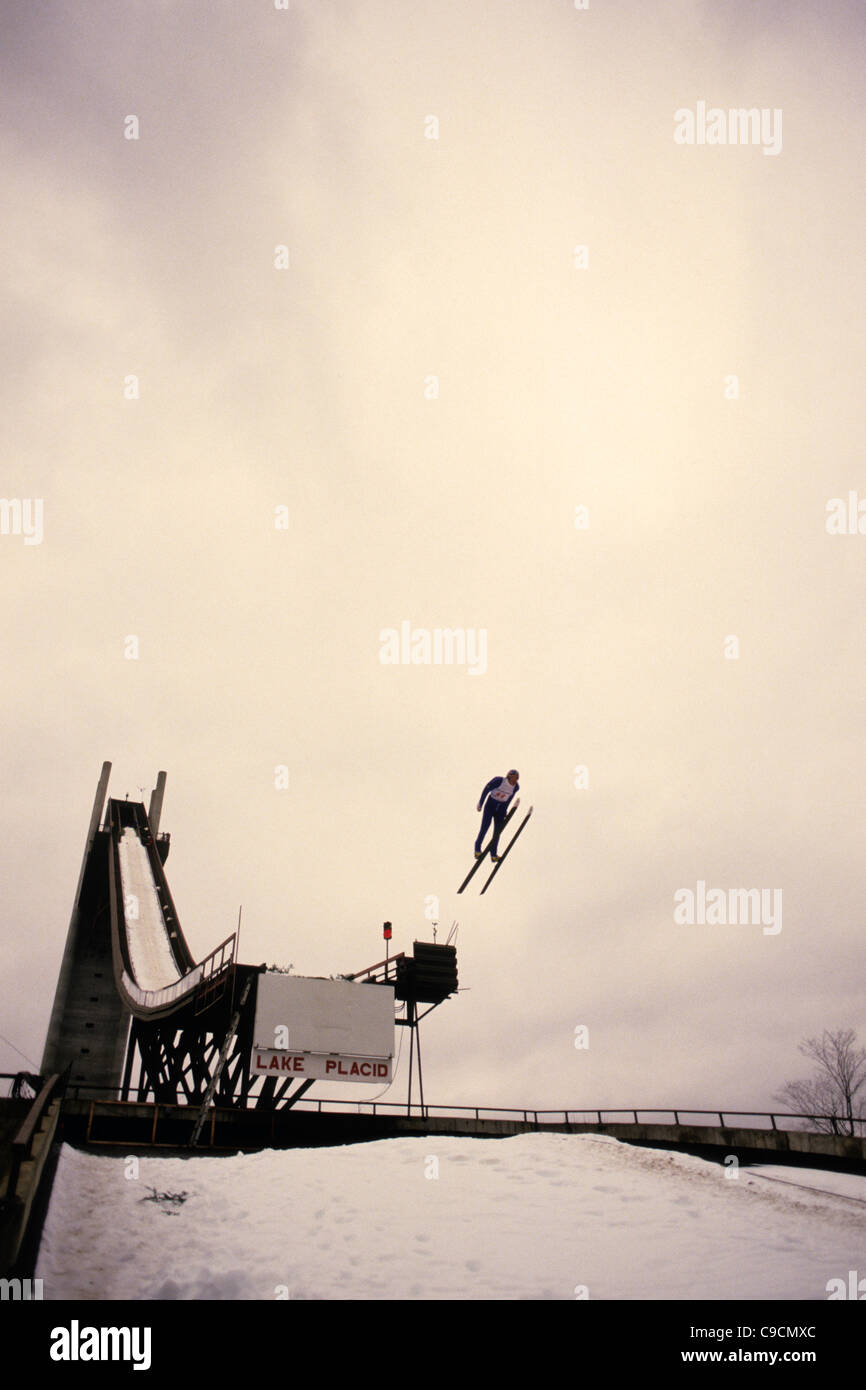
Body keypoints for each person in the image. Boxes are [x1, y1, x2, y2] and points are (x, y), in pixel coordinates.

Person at [475, 770, 520, 860]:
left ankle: (493, 854)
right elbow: (486, 789)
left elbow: (509, 799)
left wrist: (505, 810)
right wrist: (481, 802)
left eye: (517, 778)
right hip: (490, 805)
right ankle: (477, 849)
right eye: (514, 778)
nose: (515, 780)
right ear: (509, 776)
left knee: (497, 832)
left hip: (501, 809)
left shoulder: (516, 787)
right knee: (485, 827)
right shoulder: (499, 781)